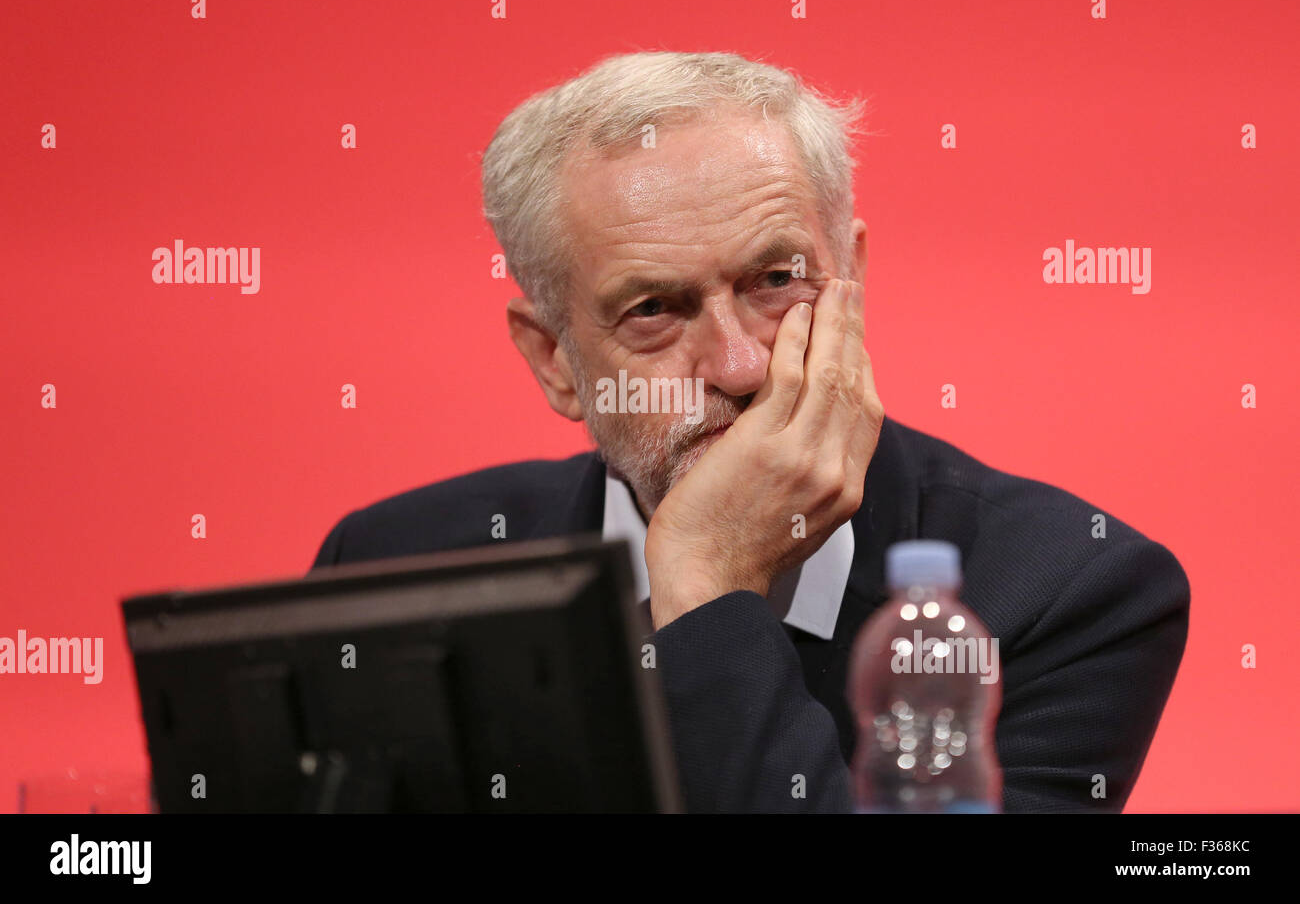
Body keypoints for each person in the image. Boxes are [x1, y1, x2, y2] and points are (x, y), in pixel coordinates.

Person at [311, 51, 1190, 813]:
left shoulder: (1073, 589)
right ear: (554, 359)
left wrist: (703, 586)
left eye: (776, 280)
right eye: (654, 309)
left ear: (853, 281)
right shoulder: (392, 566)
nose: (738, 366)